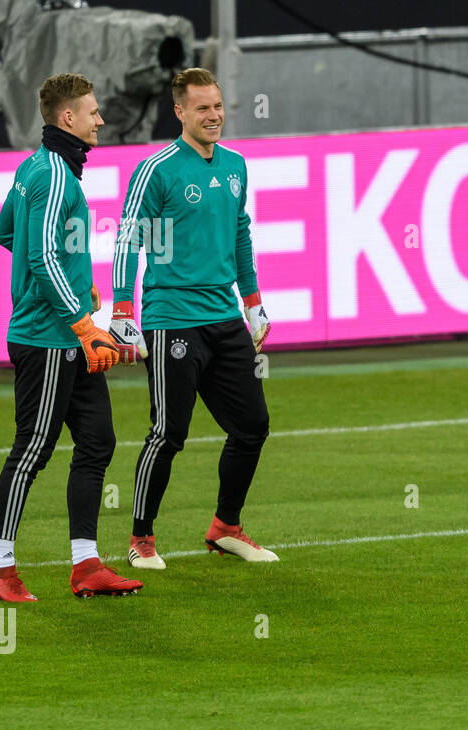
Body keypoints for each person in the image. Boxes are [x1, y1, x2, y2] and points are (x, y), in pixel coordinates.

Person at [111, 67, 276, 569]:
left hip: (224, 318)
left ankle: (226, 527)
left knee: (253, 426)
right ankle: (141, 538)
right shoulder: (156, 169)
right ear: (179, 111)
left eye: (218, 106)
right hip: (172, 320)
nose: (214, 116)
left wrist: (253, 303)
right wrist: (122, 313)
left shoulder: (235, 167)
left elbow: (240, 234)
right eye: (202, 107)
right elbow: (127, 239)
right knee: (169, 434)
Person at [0, 73, 144, 600]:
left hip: (64, 334)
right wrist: (80, 321)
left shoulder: (31, 168)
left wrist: (77, 283)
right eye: (94, 111)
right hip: (50, 337)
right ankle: (1, 571)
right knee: (32, 451)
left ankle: (86, 565)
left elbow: (6, 231)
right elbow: (40, 254)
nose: (101, 119)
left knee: (97, 442)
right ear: (68, 118)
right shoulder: (55, 174)